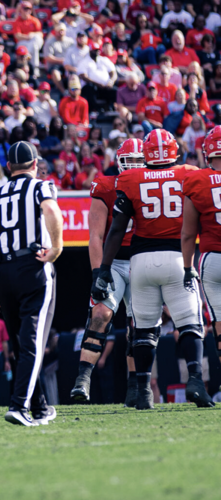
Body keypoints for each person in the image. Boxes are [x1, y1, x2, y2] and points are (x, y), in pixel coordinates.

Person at [92, 129, 214, 409]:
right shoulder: (190, 173)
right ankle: (195, 379)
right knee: (189, 324)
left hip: (141, 262)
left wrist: (104, 268)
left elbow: (117, 229)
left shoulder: (131, 179)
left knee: (145, 329)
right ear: (174, 151)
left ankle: (143, 389)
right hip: (175, 256)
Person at [0, 141, 62, 426]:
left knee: (19, 343)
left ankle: (39, 407)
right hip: (33, 265)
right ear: (36, 165)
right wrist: (57, 248)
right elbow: (51, 211)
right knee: (33, 342)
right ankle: (19, 406)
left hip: (2, 272)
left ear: (8, 168)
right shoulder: (41, 187)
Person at [71, 139, 142, 405]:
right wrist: (97, 273)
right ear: (120, 161)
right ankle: (83, 379)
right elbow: (95, 236)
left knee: (139, 326)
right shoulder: (106, 186)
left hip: (142, 260)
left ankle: (136, 385)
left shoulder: (152, 186)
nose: (134, 165)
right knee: (100, 314)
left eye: (139, 160)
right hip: (112, 263)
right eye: (130, 160)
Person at [181, 125, 221, 400]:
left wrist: (187, 267)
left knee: (219, 322)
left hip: (212, 258)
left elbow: (187, 234)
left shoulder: (197, 181)